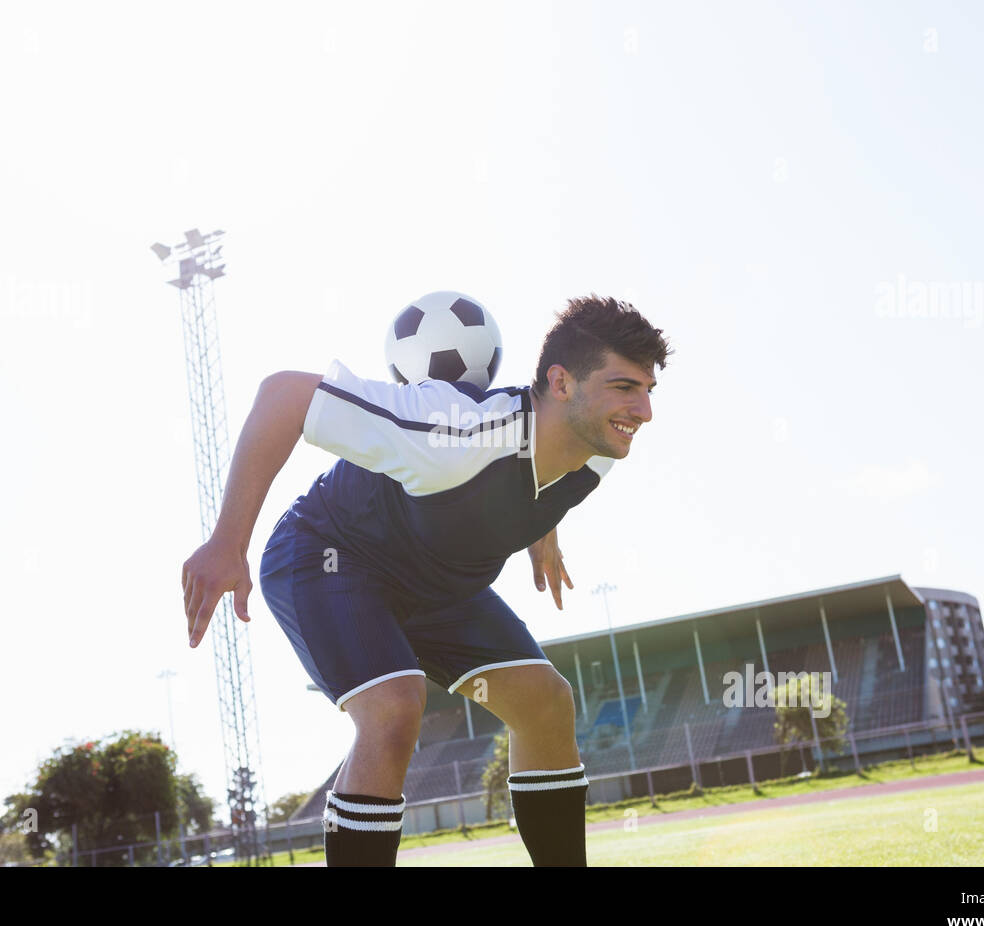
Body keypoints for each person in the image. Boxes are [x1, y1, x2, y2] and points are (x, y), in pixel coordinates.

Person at [181, 294, 672, 866]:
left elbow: (533, 474)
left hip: (438, 586)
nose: (643, 410)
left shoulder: (595, 450)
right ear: (561, 383)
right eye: (623, 388)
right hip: (329, 556)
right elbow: (284, 394)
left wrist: (543, 528)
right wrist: (227, 542)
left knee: (545, 702)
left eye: (647, 391)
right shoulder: (454, 431)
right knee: (394, 709)